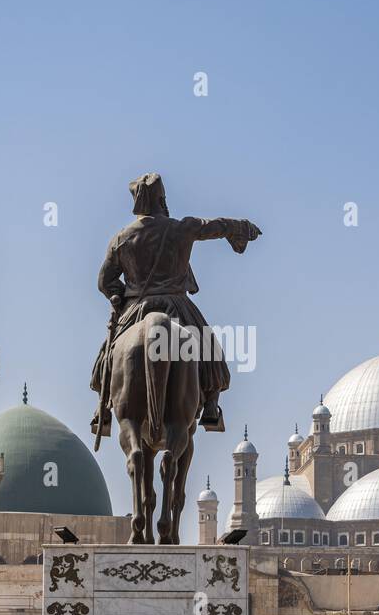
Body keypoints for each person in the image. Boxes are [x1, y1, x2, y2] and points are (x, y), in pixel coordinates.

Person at [91, 173, 261, 436]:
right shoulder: (182, 228)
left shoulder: (121, 239)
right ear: (161, 200)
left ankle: (102, 409)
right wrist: (243, 228)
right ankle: (212, 408)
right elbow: (215, 226)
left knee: (108, 354)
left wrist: (122, 296)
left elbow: (105, 281)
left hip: (136, 308)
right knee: (209, 349)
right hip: (177, 305)